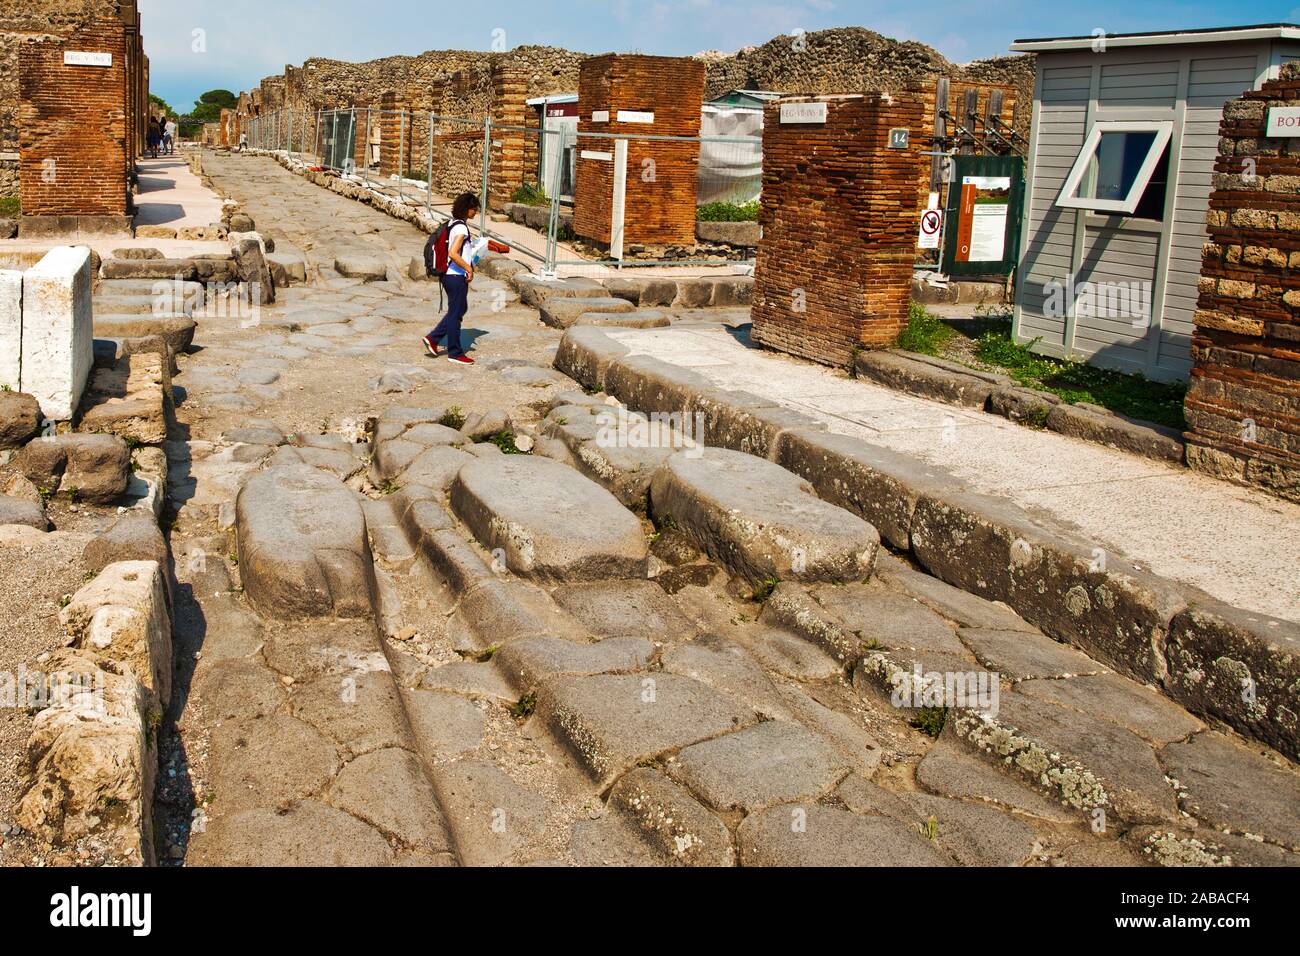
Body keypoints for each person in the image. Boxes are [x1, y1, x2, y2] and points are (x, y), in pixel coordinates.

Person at [423, 192, 480, 366]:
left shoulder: (452, 224)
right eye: (473, 208)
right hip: (455, 276)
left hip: (450, 275)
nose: (475, 212)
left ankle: (433, 338)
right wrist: (468, 268)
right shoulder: (462, 228)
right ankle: (454, 352)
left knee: (460, 308)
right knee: (456, 313)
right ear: (466, 209)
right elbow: (453, 253)